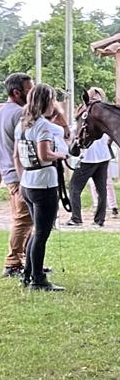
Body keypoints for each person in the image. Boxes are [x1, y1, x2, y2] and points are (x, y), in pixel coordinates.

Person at [14, 84, 68, 291]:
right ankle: (37, 279)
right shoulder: (42, 126)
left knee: (36, 231)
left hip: (28, 181)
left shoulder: (23, 125)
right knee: (41, 234)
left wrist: (21, 180)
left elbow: (18, 157)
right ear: (46, 101)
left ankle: (28, 274)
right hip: (44, 182)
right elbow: (45, 155)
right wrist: (61, 155)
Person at [2, 73, 34, 278]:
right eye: (29, 90)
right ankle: (13, 263)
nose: (32, 95)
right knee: (23, 220)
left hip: (9, 173)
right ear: (17, 92)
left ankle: (27, 260)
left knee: (28, 219)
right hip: (19, 175)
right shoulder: (19, 114)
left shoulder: (4, 111)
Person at [69, 87, 114, 227]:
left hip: (88, 157)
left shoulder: (85, 112)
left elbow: (78, 129)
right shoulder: (105, 113)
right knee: (102, 189)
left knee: (74, 187)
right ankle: (99, 220)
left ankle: (76, 218)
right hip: (103, 156)